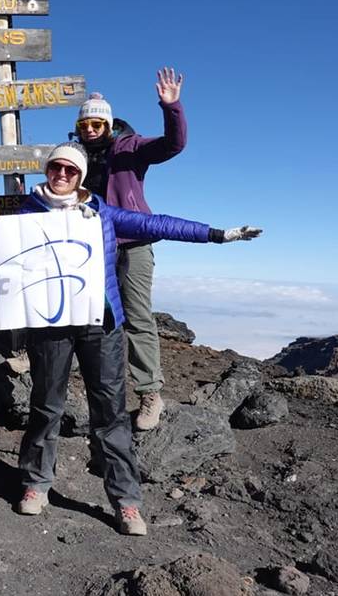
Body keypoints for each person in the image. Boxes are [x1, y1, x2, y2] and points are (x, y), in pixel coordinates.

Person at [15, 142, 260, 535]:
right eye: (55, 168)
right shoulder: (26, 213)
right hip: (52, 323)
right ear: (47, 170)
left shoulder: (100, 212)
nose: (61, 175)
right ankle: (35, 485)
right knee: (46, 406)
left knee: (110, 412)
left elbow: (156, 224)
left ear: (80, 176)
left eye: (70, 170)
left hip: (102, 323)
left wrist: (218, 234)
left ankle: (126, 502)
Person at [73, 69, 186, 430]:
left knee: (137, 316)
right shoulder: (75, 155)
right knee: (86, 312)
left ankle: (150, 393)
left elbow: (173, 144)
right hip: (88, 245)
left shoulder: (130, 147)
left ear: (107, 124)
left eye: (96, 124)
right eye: (85, 124)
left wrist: (171, 107)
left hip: (132, 243)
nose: (90, 130)